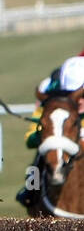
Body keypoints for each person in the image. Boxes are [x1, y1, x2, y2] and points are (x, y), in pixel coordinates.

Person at [15, 54, 84, 208]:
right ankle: (30, 191)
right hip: (57, 160)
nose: (79, 101)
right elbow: (30, 139)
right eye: (73, 97)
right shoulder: (50, 106)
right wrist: (46, 134)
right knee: (41, 156)